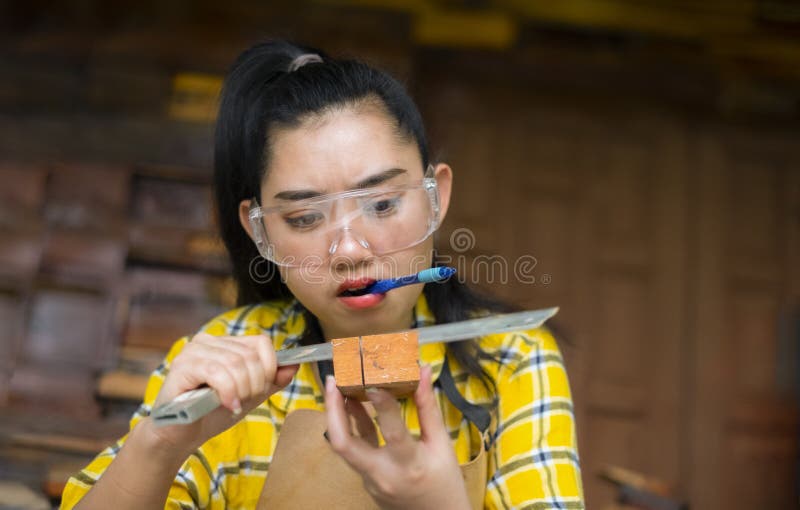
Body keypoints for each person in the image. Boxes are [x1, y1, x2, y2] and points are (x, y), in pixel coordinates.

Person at [61, 40, 584, 509]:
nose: (351, 251)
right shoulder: (222, 356)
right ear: (259, 230)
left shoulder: (512, 359)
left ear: (435, 198)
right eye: (305, 217)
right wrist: (159, 443)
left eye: (381, 204)